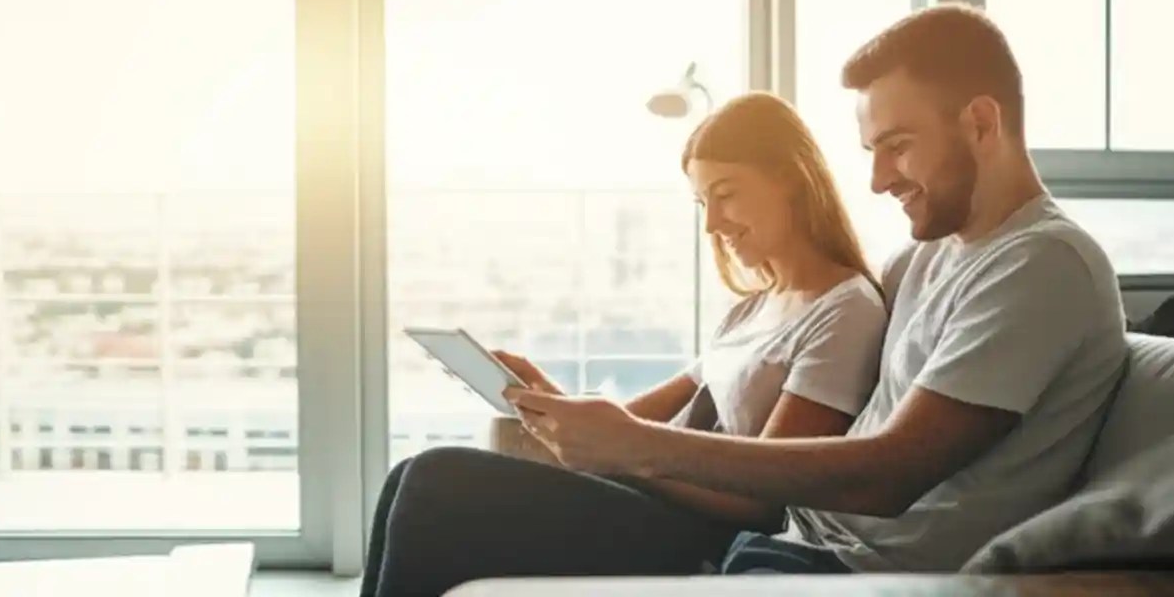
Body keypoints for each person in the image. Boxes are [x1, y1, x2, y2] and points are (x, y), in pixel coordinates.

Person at [511, 3, 1128, 574]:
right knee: (441, 490)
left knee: (448, 497)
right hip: (794, 545)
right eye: (871, 152)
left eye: (898, 147)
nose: (880, 179)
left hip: (862, 575)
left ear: (981, 123)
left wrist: (640, 449)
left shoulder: (1043, 263)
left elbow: (888, 476)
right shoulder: (920, 261)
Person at [360, 92, 889, 596]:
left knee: (437, 480)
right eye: (704, 202)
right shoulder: (751, 311)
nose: (713, 224)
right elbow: (638, 423)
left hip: (717, 533)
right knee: (408, 476)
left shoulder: (845, 309)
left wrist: (626, 457)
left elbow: (764, 502)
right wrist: (546, 399)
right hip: (663, 503)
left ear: (793, 181)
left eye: (726, 195)